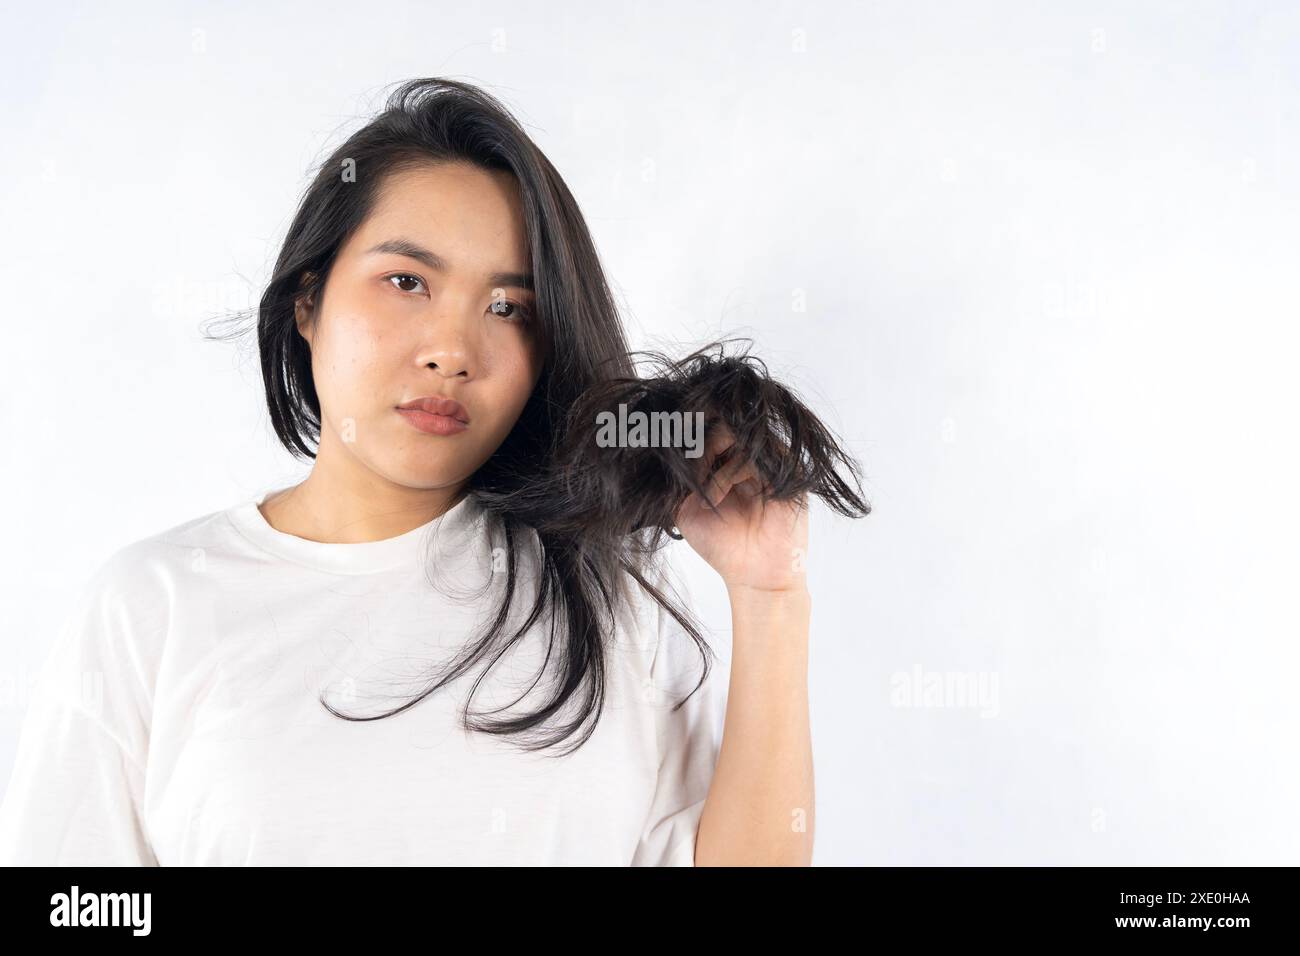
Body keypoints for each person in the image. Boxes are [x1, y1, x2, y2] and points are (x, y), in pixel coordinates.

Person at [0, 78, 824, 866]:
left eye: (509, 308)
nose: (451, 352)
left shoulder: (610, 596)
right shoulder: (155, 604)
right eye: (406, 281)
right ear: (308, 300)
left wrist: (769, 597)